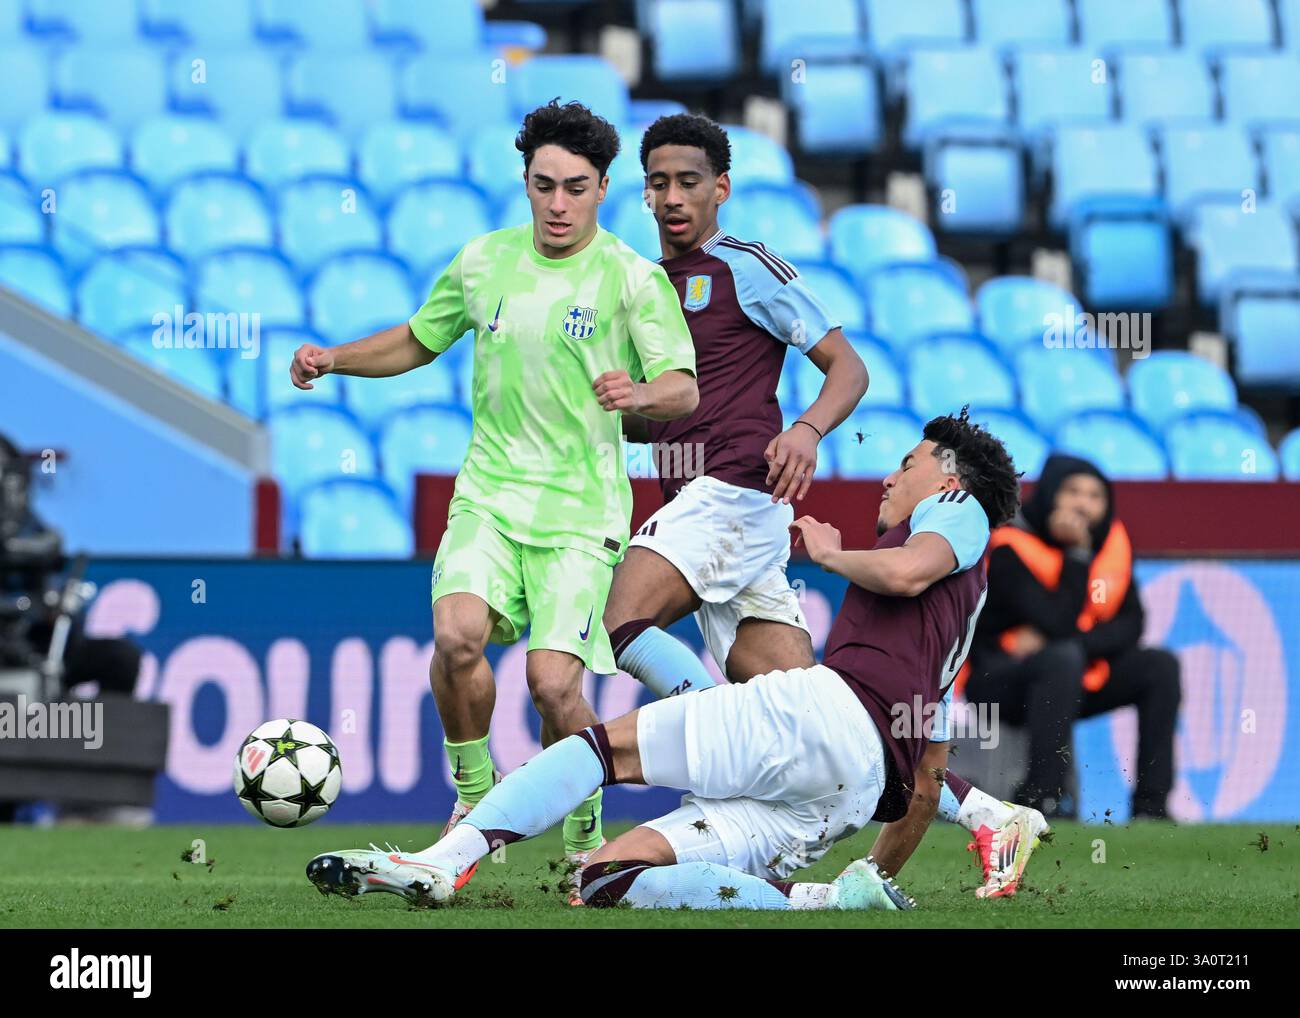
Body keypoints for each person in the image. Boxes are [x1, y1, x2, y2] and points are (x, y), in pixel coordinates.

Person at [305, 409, 1024, 911]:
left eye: (907, 464)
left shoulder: (957, 513)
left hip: (825, 720)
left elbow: (904, 572)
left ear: (949, 482)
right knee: (606, 880)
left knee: (600, 747)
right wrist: (880, 867)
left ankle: (443, 862)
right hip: (849, 793)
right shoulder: (960, 614)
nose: (889, 478)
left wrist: (832, 554)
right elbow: (926, 778)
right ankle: (825, 901)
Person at [603, 113, 1045, 898]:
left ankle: (707, 741)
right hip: (708, 514)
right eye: (659, 183)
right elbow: (661, 414)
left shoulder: (747, 267)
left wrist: (806, 429)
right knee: (812, 711)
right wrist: (610, 407)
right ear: (644, 193)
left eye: (690, 182)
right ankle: (982, 811)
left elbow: (848, 367)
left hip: (736, 494)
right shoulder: (643, 288)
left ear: (721, 189)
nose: (673, 197)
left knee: (622, 621)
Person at [289, 100, 699, 884]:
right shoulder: (483, 261)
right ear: (525, 182)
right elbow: (417, 339)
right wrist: (333, 358)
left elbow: (683, 390)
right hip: (489, 496)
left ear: (604, 188)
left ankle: (584, 836)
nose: (556, 204)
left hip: (583, 514)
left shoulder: (631, 279)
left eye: (575, 188)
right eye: (543, 185)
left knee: (552, 684)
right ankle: (473, 799)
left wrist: (637, 396)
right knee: (456, 638)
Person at [962, 453, 1182, 820]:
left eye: (1096, 496)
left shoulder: (1112, 543)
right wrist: (1077, 556)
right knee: (1060, 657)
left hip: (1073, 675)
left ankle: (1151, 806)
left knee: (1160, 666)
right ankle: (1042, 797)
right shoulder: (1010, 544)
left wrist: (1078, 644)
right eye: (1072, 491)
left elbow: (1132, 624)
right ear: (1049, 494)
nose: (1083, 503)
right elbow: (1057, 620)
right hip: (999, 681)